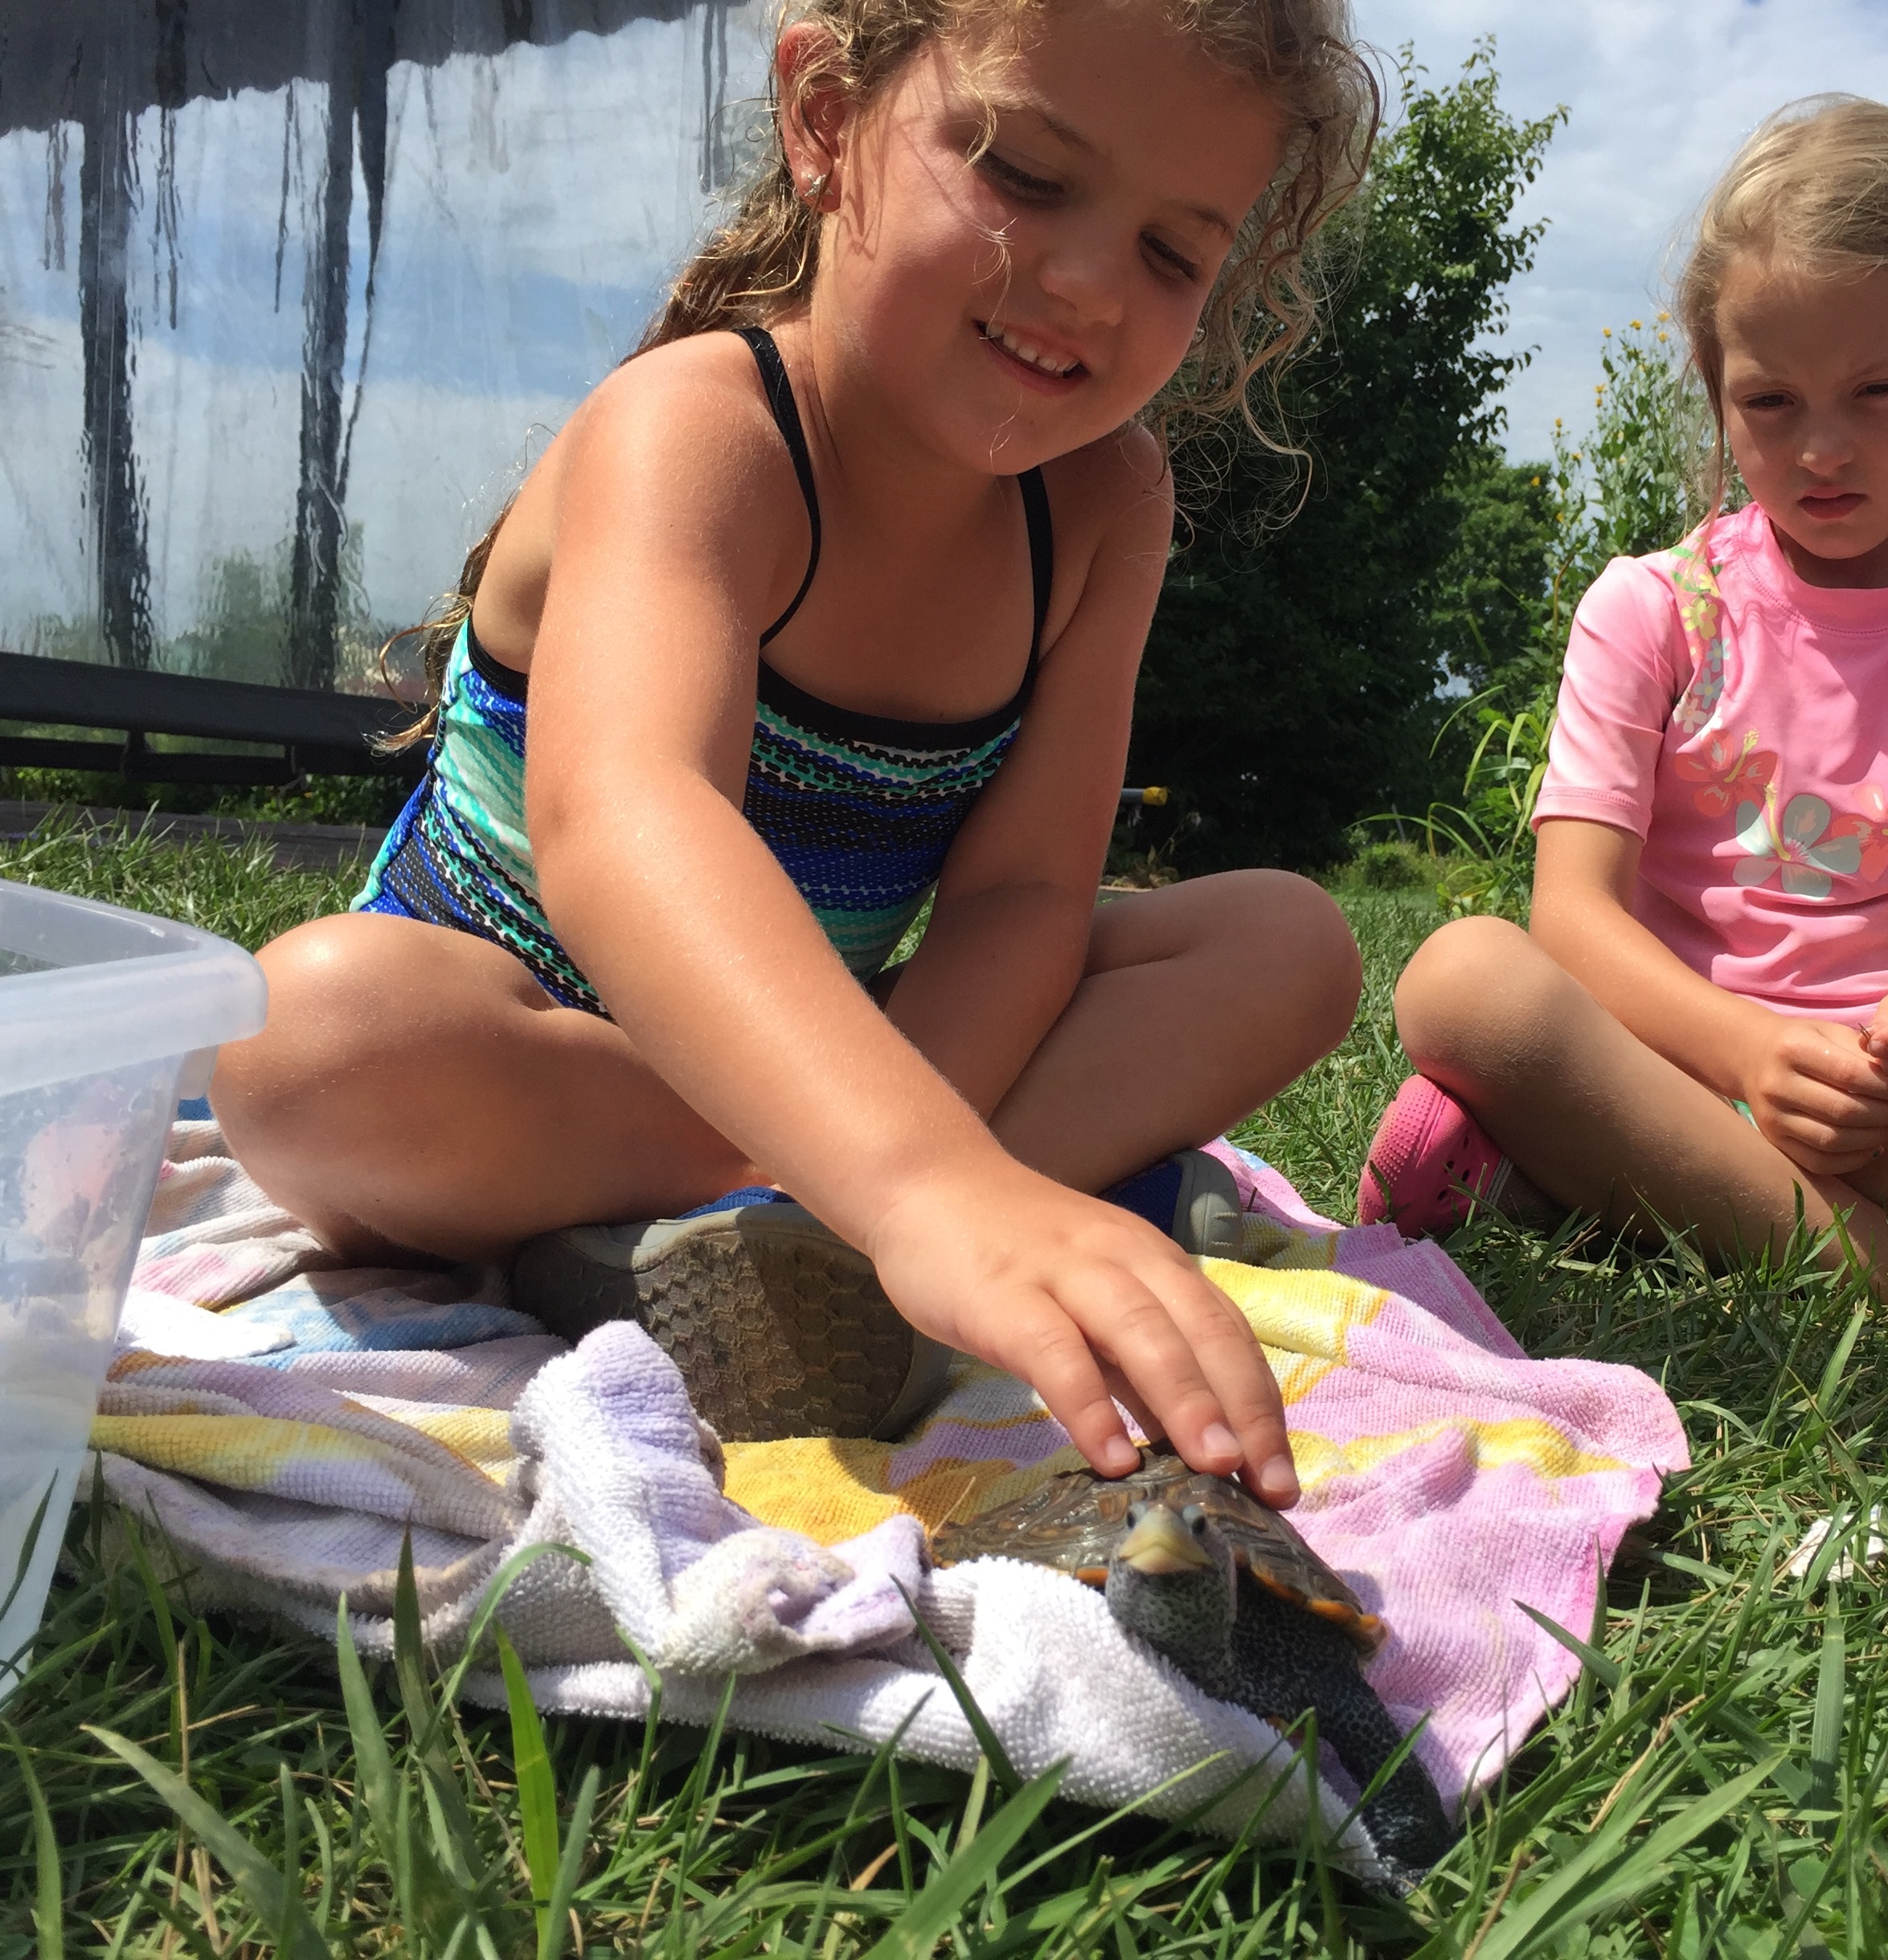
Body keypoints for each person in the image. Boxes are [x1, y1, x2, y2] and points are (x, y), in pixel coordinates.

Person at [217, 0, 1379, 1503]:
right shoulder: (699, 428)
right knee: (303, 1038)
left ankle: (771, 1243)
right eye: (1026, 174)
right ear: (825, 116)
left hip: (848, 1055)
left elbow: (1022, 897)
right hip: (527, 1043)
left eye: (1172, 253)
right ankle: (857, 1213)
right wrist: (921, 1178)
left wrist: (916, 1146)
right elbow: (627, 815)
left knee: (1284, 945)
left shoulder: (1103, 508)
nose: (1092, 284)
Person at [1359, 96, 1888, 1278]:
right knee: (1460, 977)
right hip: (1693, 1084)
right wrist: (1749, 1055)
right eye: (1770, 402)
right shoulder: (1651, 610)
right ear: (1714, 377)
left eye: (1878, 392)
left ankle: (1646, 1197)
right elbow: (1570, 919)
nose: (1821, 449)